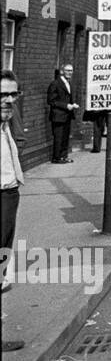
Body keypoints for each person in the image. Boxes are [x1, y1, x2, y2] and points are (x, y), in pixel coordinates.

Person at [1, 70, 26, 315]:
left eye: (12, 94)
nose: (8, 100)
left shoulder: (5, 124)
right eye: (3, 94)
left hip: (10, 194)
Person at [46, 64, 78, 163]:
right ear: (62, 71)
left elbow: (68, 97)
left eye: (71, 70)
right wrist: (66, 106)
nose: (69, 72)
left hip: (67, 115)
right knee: (58, 137)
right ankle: (56, 158)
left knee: (65, 137)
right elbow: (51, 101)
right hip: (58, 116)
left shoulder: (70, 83)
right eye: (67, 70)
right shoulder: (55, 83)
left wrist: (73, 104)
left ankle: (64, 156)